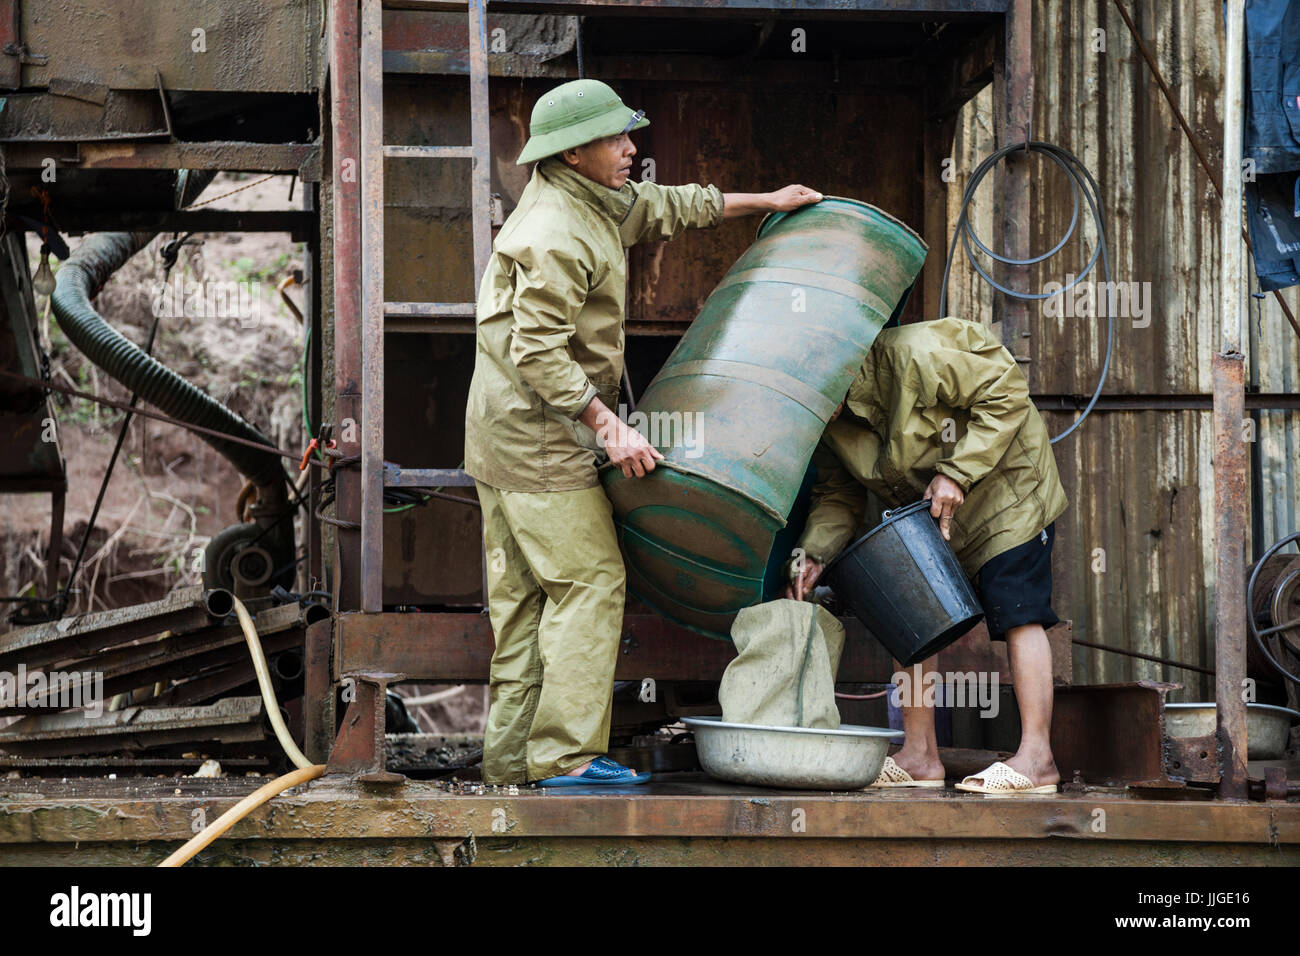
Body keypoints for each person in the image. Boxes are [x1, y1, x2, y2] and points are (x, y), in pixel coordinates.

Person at [465, 78, 822, 788]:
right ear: (571, 154)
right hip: (537, 441)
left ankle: (512, 767)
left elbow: (662, 206)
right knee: (592, 583)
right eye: (616, 139)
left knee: (532, 601)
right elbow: (536, 351)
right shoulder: (556, 233)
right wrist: (606, 425)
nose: (633, 149)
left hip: (503, 435)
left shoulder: (589, 201)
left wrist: (767, 202)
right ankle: (565, 760)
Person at [786, 316, 1068, 795]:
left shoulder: (913, 352)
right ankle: (919, 757)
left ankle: (1037, 759)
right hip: (933, 516)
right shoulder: (830, 423)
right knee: (909, 617)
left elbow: (1006, 390)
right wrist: (814, 552)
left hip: (1007, 493)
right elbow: (840, 493)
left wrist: (958, 471)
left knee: (1019, 612)